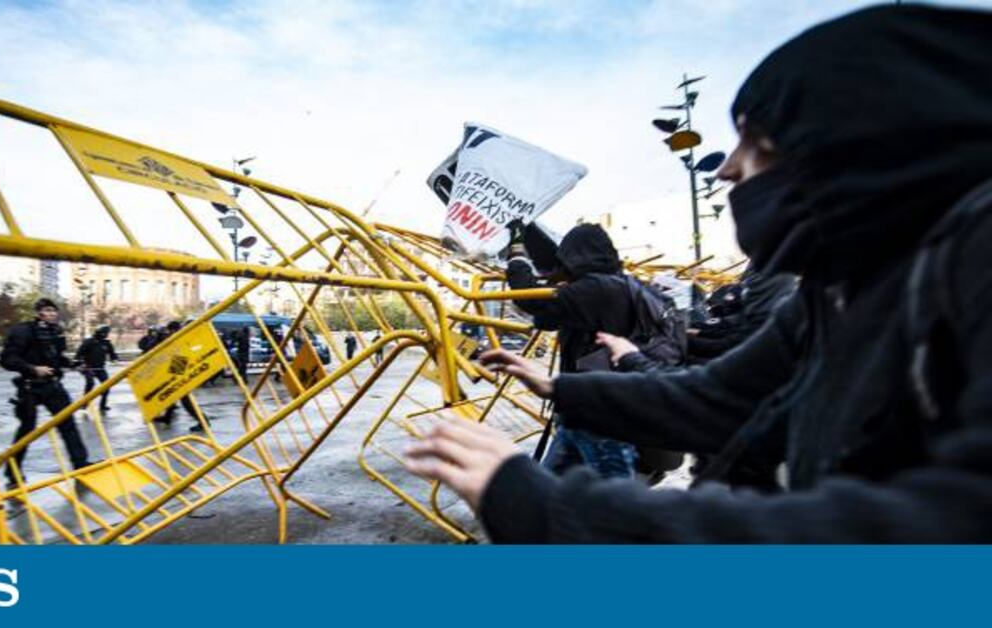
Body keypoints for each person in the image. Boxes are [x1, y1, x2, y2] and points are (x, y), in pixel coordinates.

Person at [405, 5, 992, 542]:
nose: (729, 169)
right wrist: (561, 388)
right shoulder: (833, 292)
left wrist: (551, 509)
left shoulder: (972, 256)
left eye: (757, 142)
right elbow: (721, 397)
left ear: (861, 138)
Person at [505, 222, 652, 478]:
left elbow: (528, 299)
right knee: (550, 488)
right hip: (583, 408)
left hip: (600, 415)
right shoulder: (620, 285)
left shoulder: (595, 289)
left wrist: (516, 254)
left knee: (614, 497)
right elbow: (550, 319)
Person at [0, 298, 90, 489]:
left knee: (68, 423)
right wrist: (33, 369)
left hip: (53, 386)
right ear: (38, 312)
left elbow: (56, 358)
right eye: (47, 310)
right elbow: (7, 359)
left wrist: (74, 364)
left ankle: (80, 464)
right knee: (27, 430)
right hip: (29, 386)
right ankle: (12, 471)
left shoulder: (54, 332)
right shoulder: (23, 331)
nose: (52, 314)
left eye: (54, 311)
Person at [153, 320, 210, 432]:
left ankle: (203, 421)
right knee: (172, 394)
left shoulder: (181, 337)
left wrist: (175, 374)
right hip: (180, 365)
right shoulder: (182, 336)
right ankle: (167, 417)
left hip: (180, 365)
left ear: (173, 330)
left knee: (185, 399)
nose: (168, 333)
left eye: (170, 331)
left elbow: (181, 354)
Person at [75, 325, 118, 413]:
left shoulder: (106, 343)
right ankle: (84, 404)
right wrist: (78, 363)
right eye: (105, 333)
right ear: (100, 333)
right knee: (90, 384)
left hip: (100, 368)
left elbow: (112, 353)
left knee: (106, 385)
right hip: (88, 368)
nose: (106, 335)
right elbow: (79, 353)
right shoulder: (88, 342)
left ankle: (103, 405)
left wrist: (114, 358)